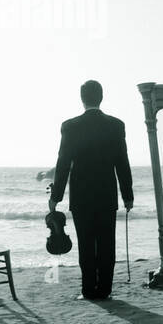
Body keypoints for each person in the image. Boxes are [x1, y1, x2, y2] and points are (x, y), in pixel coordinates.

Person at [48, 80, 134, 300]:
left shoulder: (70, 126)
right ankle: (105, 289)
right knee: (107, 244)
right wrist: (127, 195)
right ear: (101, 97)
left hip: (81, 197)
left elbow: (63, 163)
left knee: (86, 244)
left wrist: (56, 196)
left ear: (82, 98)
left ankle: (88, 291)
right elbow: (122, 163)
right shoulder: (116, 125)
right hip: (106, 195)